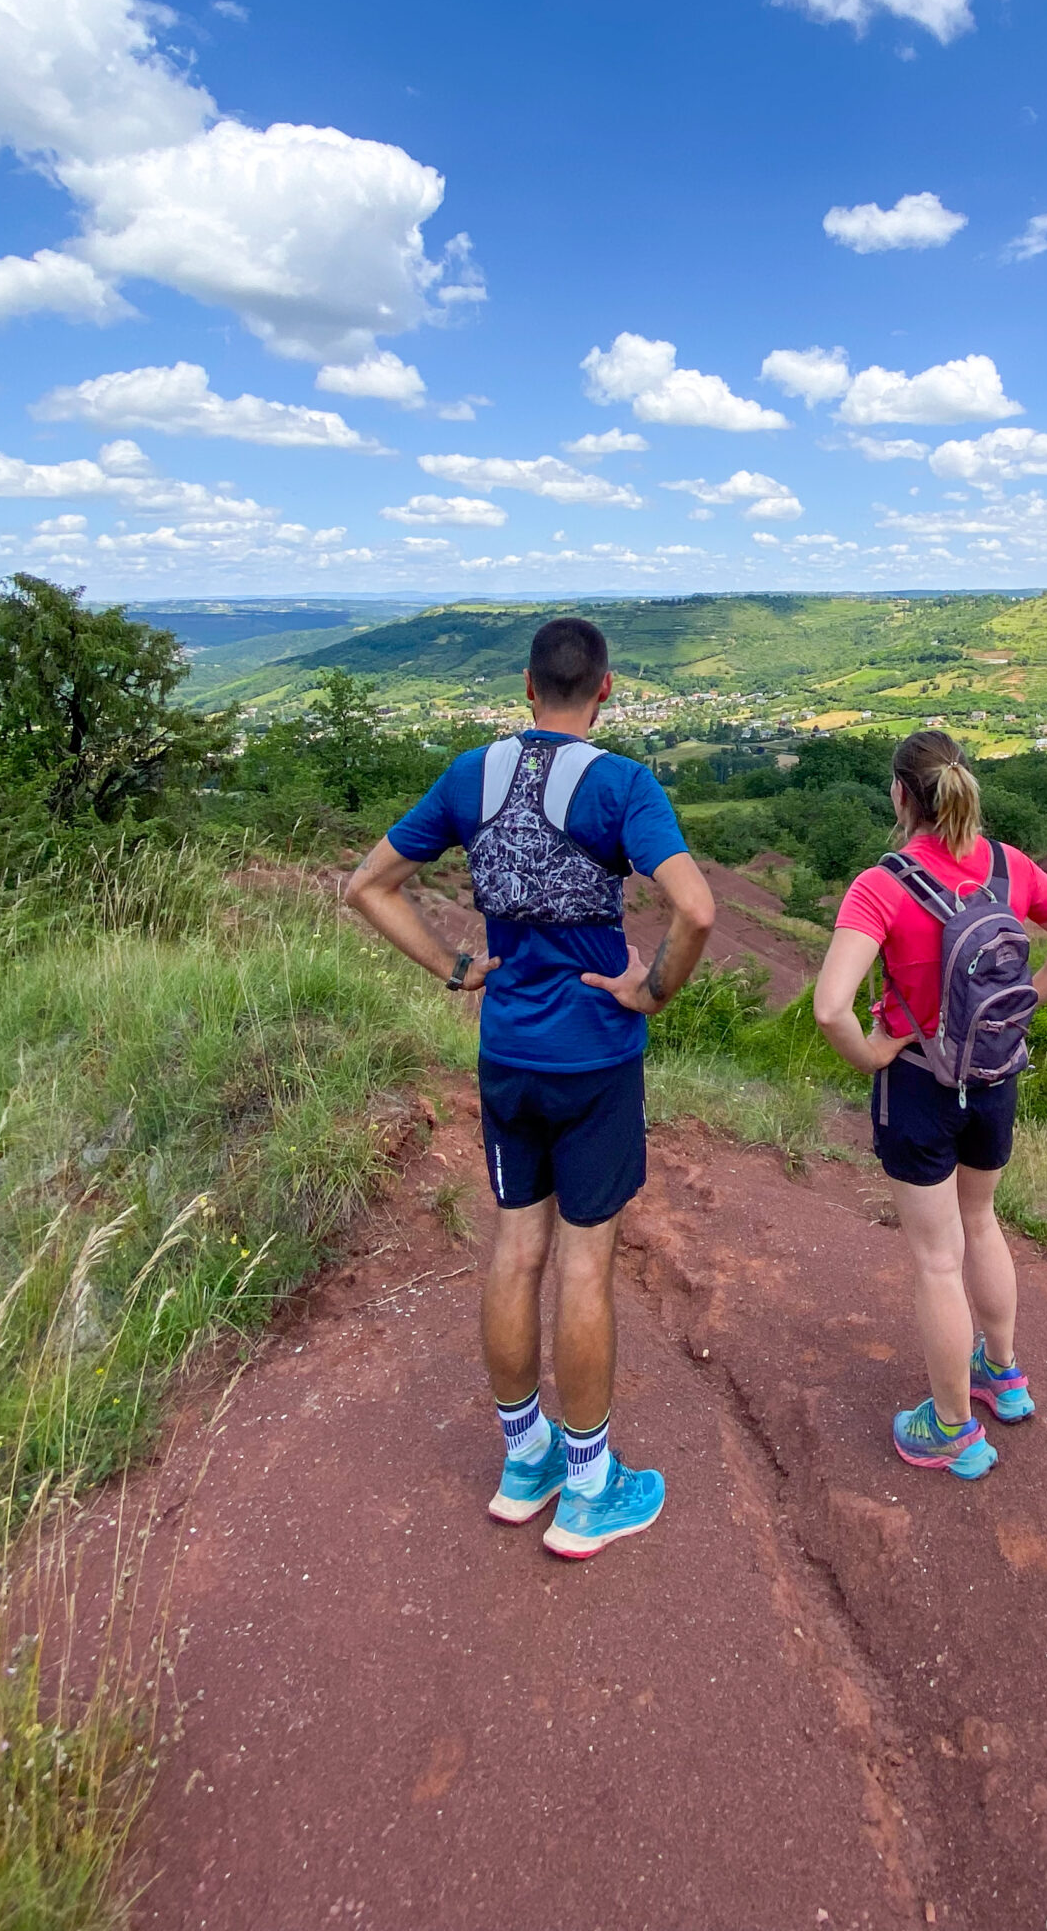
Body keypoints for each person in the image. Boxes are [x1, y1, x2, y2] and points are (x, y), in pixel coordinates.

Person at [345, 616, 715, 1558]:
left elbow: (367, 886)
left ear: (526, 685)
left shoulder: (470, 776)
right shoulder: (622, 785)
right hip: (594, 1058)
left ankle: (525, 1463)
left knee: (516, 1251)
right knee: (584, 1264)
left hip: (507, 1052)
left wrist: (455, 966)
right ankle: (589, 1489)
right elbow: (697, 908)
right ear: (606, 688)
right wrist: (650, 991)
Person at [812, 732, 1047, 1480]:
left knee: (938, 1261)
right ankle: (1002, 1374)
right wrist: (1017, 1013)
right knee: (982, 1221)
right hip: (995, 1076)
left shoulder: (881, 886)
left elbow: (831, 1008)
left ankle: (950, 1430)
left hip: (919, 1085)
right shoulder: (1008, 866)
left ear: (899, 795)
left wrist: (874, 1052)